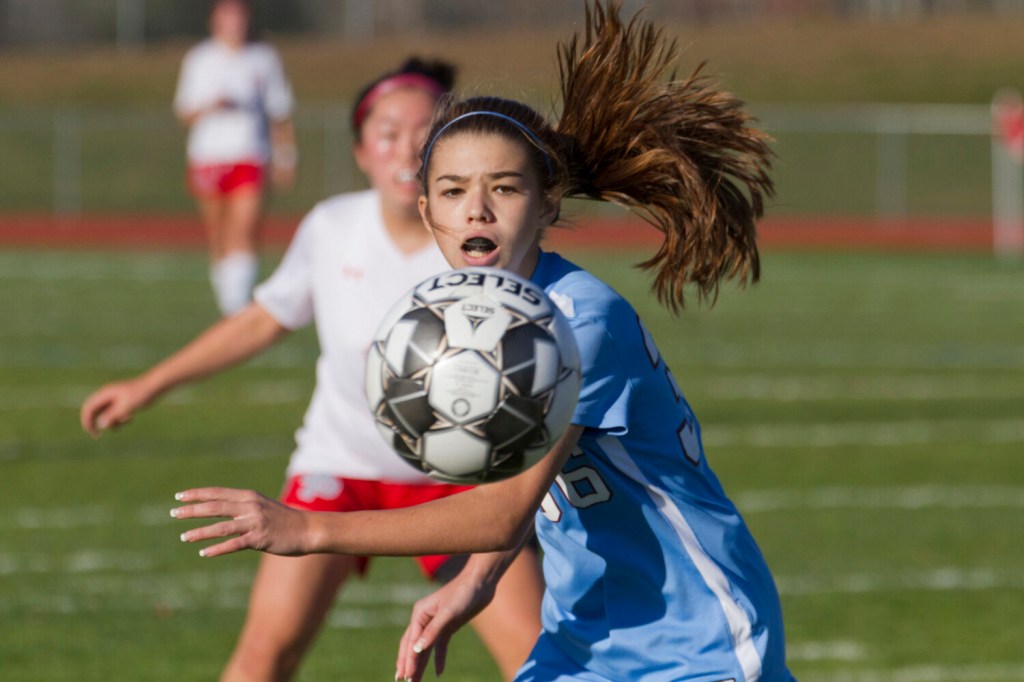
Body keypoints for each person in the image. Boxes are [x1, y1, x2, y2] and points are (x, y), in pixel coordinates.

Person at [170, 3, 795, 681]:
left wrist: (309, 530)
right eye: (453, 190)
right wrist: (475, 583)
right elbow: (530, 486)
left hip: (697, 645)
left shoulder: (578, 322)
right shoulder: (473, 317)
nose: (477, 208)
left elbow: (503, 512)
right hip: (585, 638)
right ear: (427, 211)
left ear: (548, 203)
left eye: (504, 187)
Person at [83, 57, 544, 682]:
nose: (406, 146)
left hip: (460, 481)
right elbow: (262, 318)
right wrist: (147, 384)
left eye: (425, 130)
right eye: (387, 131)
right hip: (340, 468)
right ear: (359, 150)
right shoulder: (332, 227)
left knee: (541, 663)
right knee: (261, 660)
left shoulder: (495, 253)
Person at [173, 0, 297, 316]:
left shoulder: (263, 58)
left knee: (244, 229)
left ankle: (236, 308)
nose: (235, 24)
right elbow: (184, 111)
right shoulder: (200, 59)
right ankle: (226, 297)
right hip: (208, 157)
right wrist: (211, 106)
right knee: (218, 233)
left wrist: (286, 156)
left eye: (240, 17)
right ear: (215, 22)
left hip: (250, 154)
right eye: (228, 18)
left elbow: (279, 112)